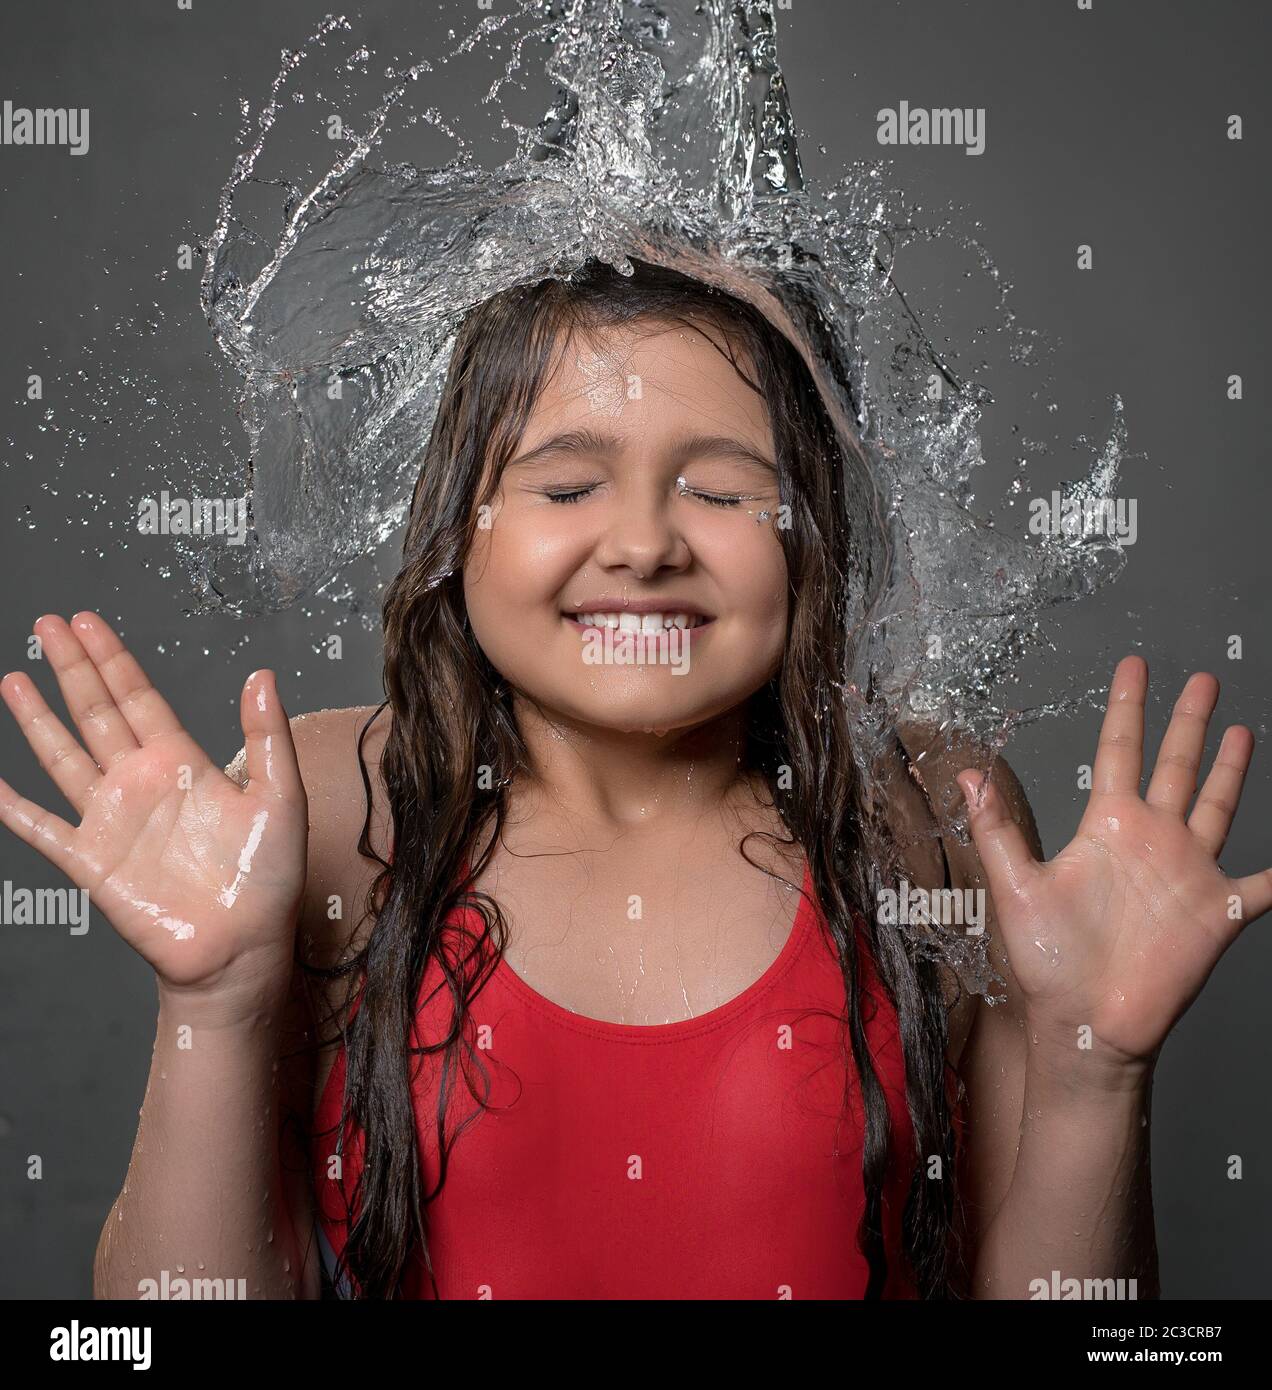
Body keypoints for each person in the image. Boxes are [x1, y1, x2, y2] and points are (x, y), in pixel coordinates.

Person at [3, 260, 1265, 1299]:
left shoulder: (930, 814)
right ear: (458, 522)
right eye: (566, 484)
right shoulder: (329, 807)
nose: (647, 542)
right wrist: (215, 1004)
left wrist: (1095, 1068)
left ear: (811, 531)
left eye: (722, 489)